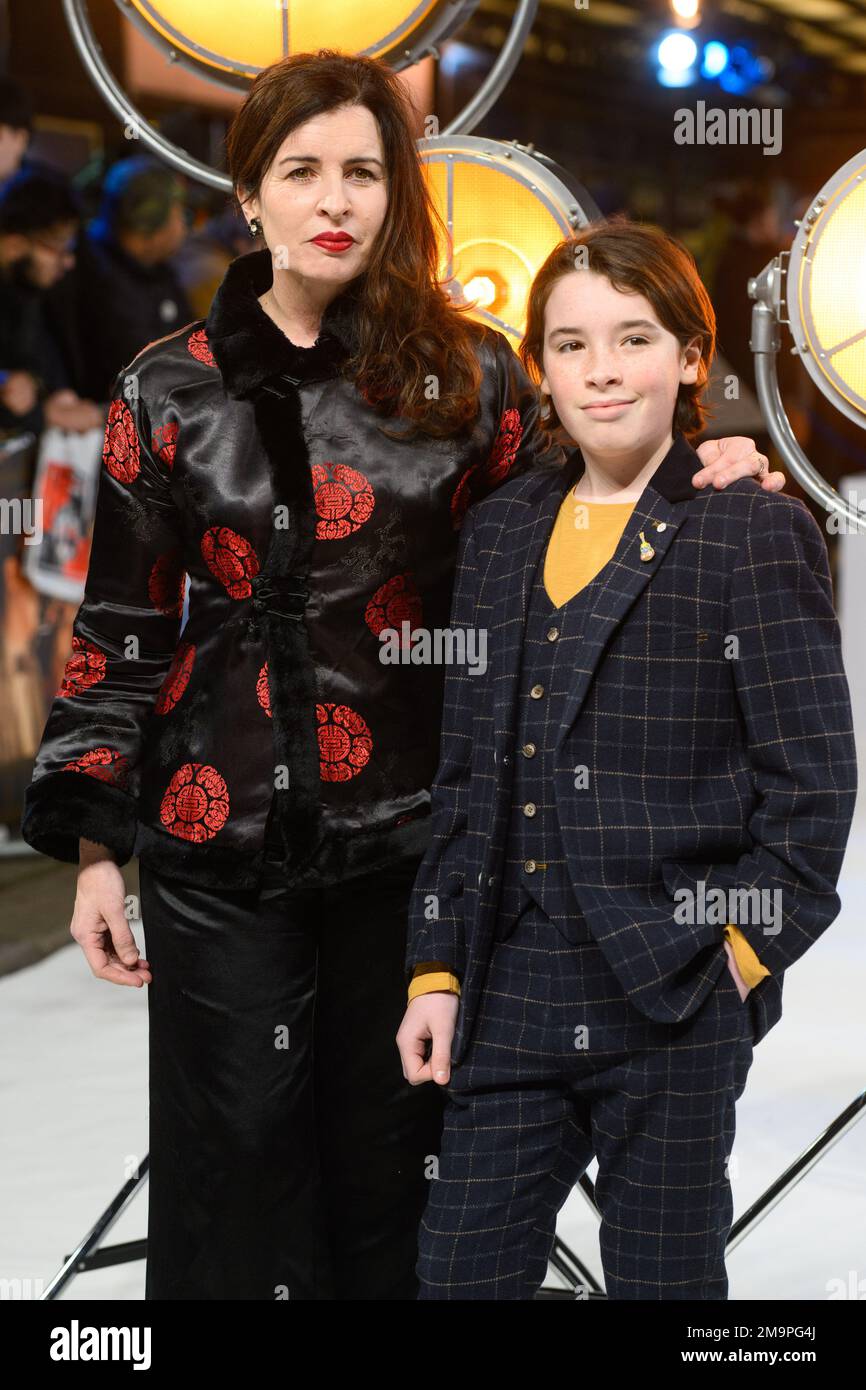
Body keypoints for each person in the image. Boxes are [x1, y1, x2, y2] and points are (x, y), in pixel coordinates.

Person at [20, 53, 779, 1301]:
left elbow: (583, 506)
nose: (335, 197)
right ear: (247, 195)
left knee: (399, 1170)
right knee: (235, 1171)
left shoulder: (467, 376)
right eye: (300, 169)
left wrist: (708, 472)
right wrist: (97, 843)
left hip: (418, 850)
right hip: (216, 847)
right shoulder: (163, 389)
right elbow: (118, 631)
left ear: (398, 192)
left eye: (364, 170)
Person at [399, 217, 858, 1299]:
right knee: (457, 1274)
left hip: (674, 991)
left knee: (663, 1282)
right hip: (510, 981)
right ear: (538, 368)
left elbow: (811, 787)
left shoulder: (746, 527)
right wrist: (434, 965)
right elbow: (466, 774)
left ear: (691, 357)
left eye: (632, 337)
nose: (600, 370)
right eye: (569, 344)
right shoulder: (503, 528)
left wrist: (733, 965)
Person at [50, 156, 192, 403]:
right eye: (180, 214)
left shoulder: (157, 269)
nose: (184, 226)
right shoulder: (88, 274)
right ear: (151, 228)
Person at [0, 168, 102, 437]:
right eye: (59, 249)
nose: (68, 262)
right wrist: (45, 414)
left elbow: (38, 352)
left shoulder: (25, 289)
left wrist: (59, 392)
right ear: (15, 242)